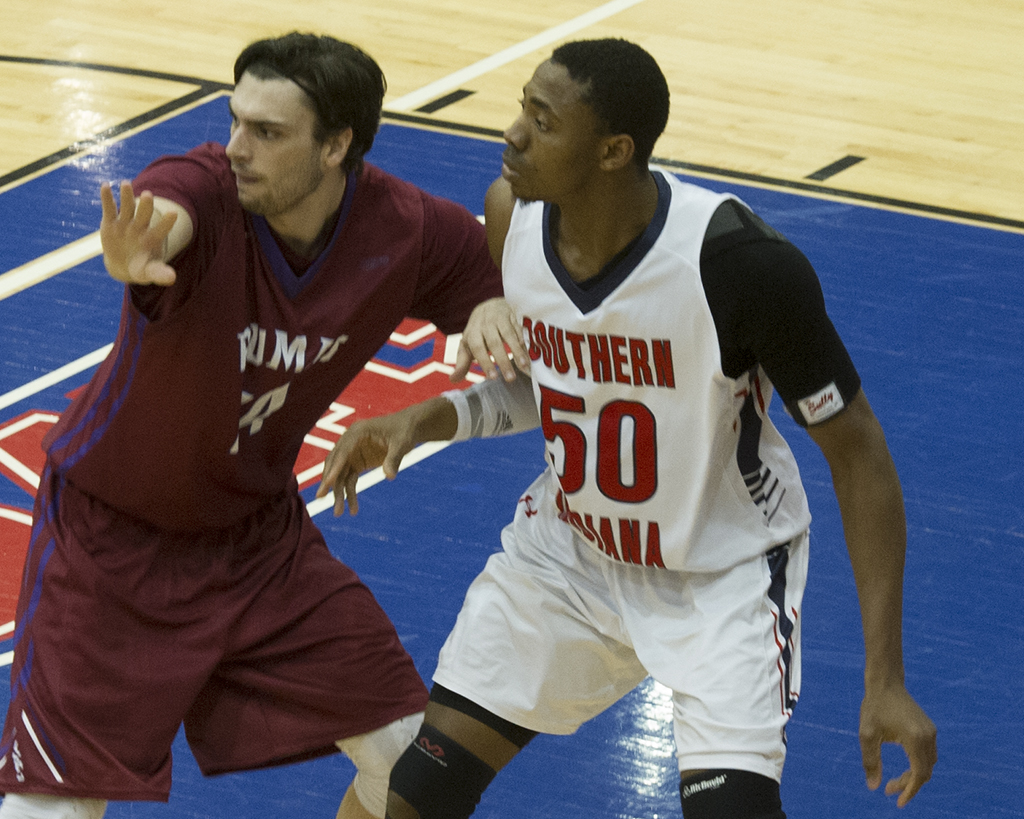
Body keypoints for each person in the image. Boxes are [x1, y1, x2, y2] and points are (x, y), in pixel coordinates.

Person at [318, 38, 938, 819]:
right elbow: (565, 385)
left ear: (613, 151)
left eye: (542, 122)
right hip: (571, 556)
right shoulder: (511, 218)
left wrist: (886, 674)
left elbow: (861, 456)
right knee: (416, 790)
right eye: (521, 108)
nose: (512, 133)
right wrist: (437, 414)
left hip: (721, 570)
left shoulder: (741, 266)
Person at [0, 32, 517, 819]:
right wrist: (144, 248)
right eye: (235, 119)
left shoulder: (403, 228)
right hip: (109, 544)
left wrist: (487, 300)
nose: (237, 146)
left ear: (338, 144)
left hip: (254, 545)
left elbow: (489, 272)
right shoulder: (204, 190)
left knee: (413, 764)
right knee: (51, 809)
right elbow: (169, 208)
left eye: (268, 133)